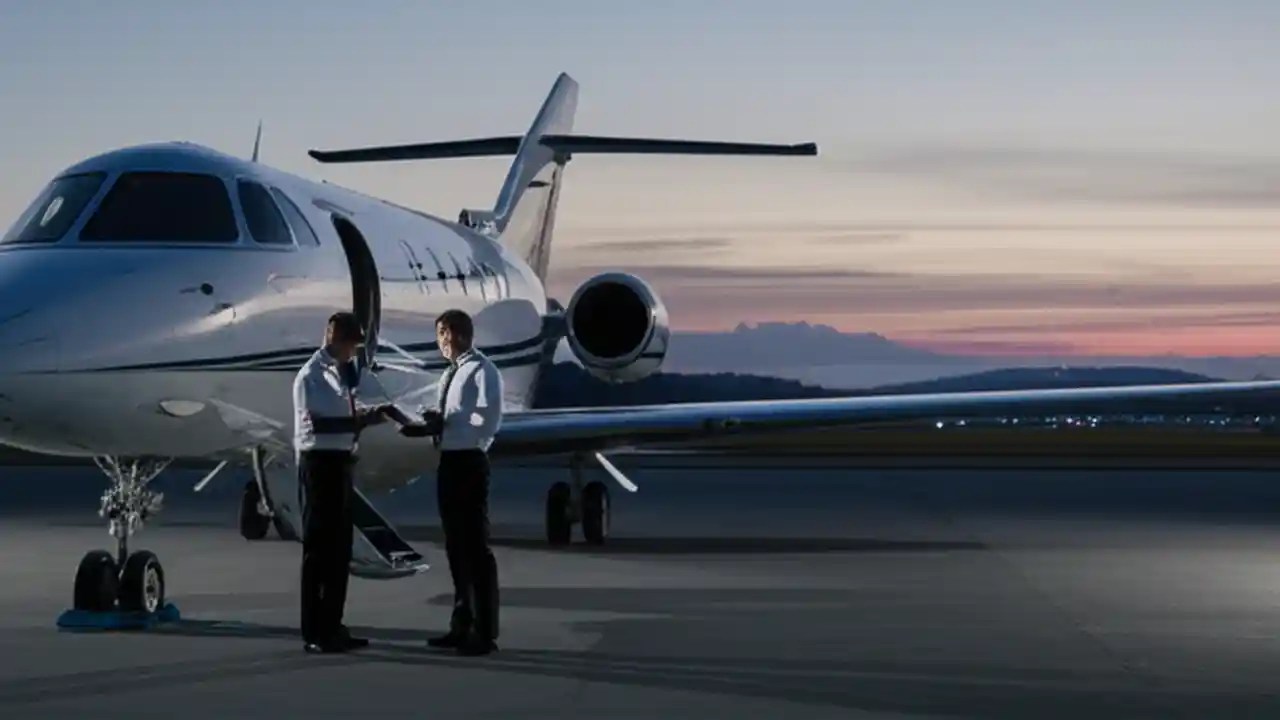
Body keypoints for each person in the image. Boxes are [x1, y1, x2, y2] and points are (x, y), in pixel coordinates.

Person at [401, 308, 504, 656]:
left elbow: (487, 420)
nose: (440, 342)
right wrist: (435, 423)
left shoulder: (482, 371)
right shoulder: (450, 375)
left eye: (442, 334)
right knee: (456, 547)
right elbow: (454, 417)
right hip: (448, 460)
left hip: (470, 461)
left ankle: (485, 630)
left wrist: (450, 425)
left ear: (458, 334)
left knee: (476, 548)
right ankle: (461, 624)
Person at [292, 311, 390, 654]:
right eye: (351, 344)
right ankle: (316, 630)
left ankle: (333, 624)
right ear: (335, 338)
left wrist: (367, 415)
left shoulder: (336, 374)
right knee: (320, 551)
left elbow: (344, 414)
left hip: (340, 464)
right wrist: (365, 421)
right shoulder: (312, 377)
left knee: (339, 550)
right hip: (321, 466)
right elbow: (321, 425)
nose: (353, 352)